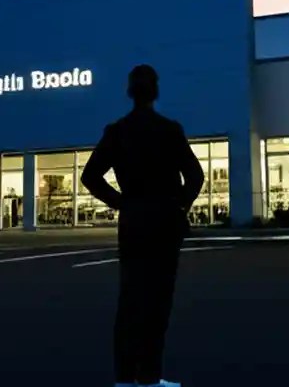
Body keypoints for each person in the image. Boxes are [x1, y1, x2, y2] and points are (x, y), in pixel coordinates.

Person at [81, 64, 205, 387]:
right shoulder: (170, 130)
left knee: (130, 301)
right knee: (159, 301)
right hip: (166, 223)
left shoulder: (117, 131)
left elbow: (90, 176)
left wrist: (122, 202)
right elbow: (196, 176)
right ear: (156, 91)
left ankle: (124, 377)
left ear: (129, 92)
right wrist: (179, 204)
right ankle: (150, 376)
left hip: (134, 223)